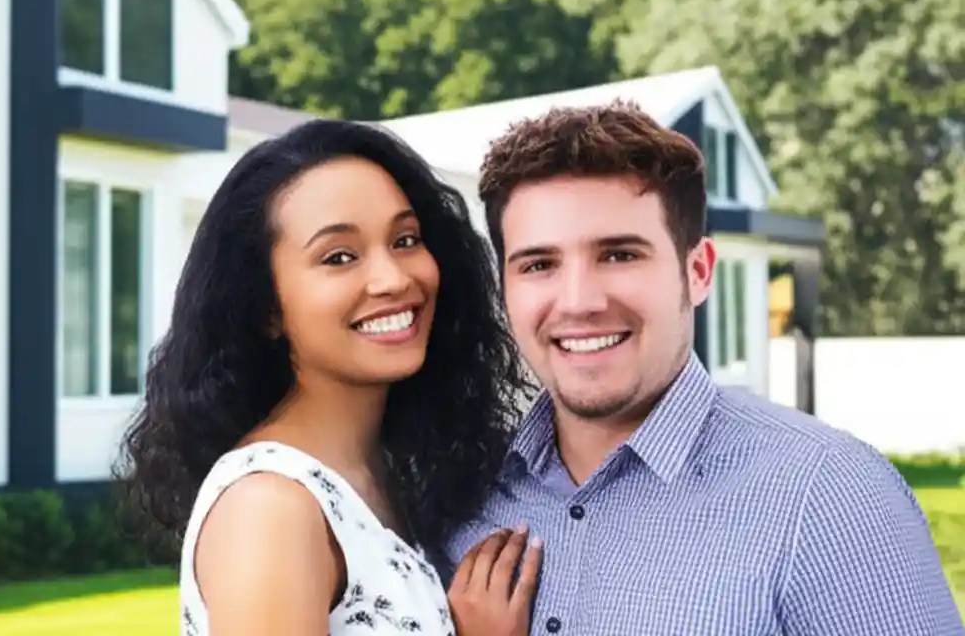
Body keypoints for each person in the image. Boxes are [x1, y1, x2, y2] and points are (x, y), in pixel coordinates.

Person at [443, 100, 964, 634]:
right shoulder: (462, 494)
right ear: (505, 289)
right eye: (539, 265)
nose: (578, 301)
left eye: (620, 255)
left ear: (697, 271)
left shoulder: (829, 496)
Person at [123, 119, 541, 635]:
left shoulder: (389, 475)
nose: (393, 278)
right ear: (265, 308)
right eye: (338, 257)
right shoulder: (270, 509)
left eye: (406, 239)